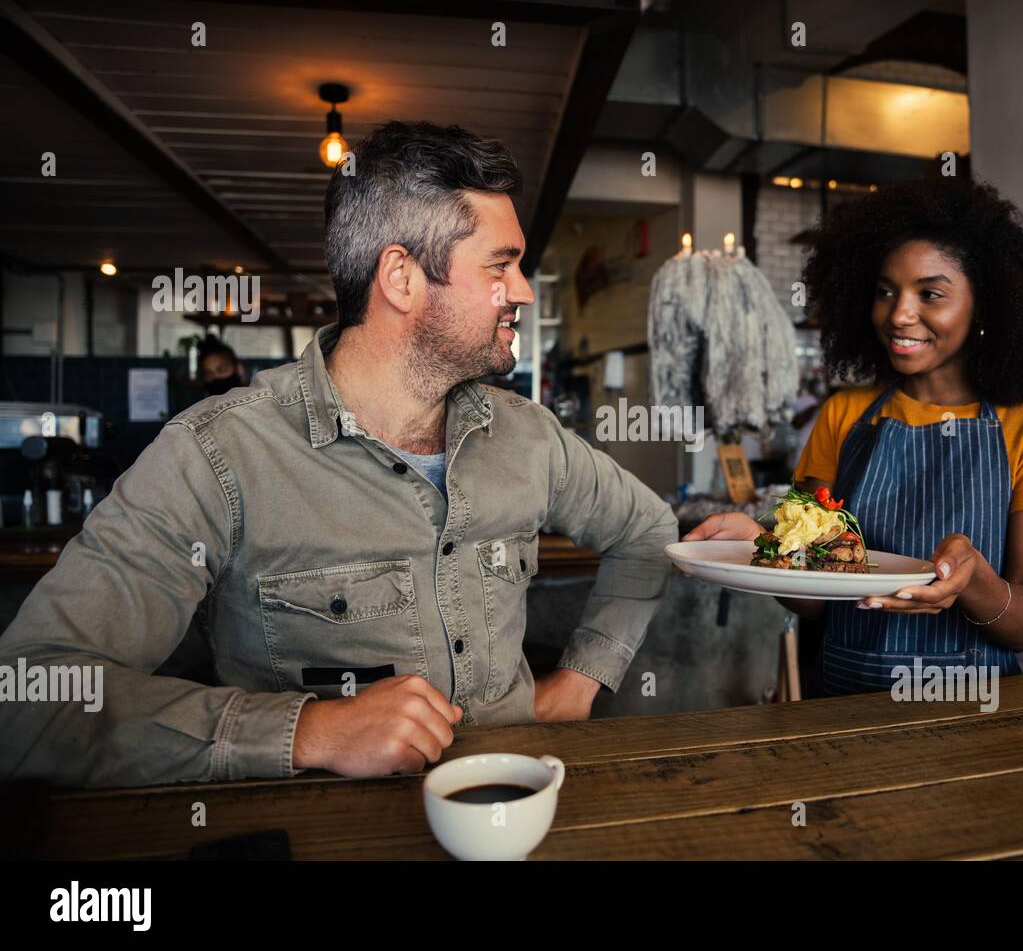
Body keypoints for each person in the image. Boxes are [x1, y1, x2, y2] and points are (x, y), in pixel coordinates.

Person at [0, 122, 679, 787]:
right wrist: (309, 730)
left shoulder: (529, 436)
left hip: (519, 817)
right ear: (401, 277)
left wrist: (583, 677)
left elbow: (647, 529)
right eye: (502, 267)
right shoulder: (219, 456)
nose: (524, 291)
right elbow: (25, 698)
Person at [685, 178, 1023, 694]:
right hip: (841, 702)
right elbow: (811, 596)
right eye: (885, 291)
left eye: (931, 294)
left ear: (985, 305)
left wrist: (976, 584)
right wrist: (764, 548)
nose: (899, 314)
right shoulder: (843, 415)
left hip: (973, 712)